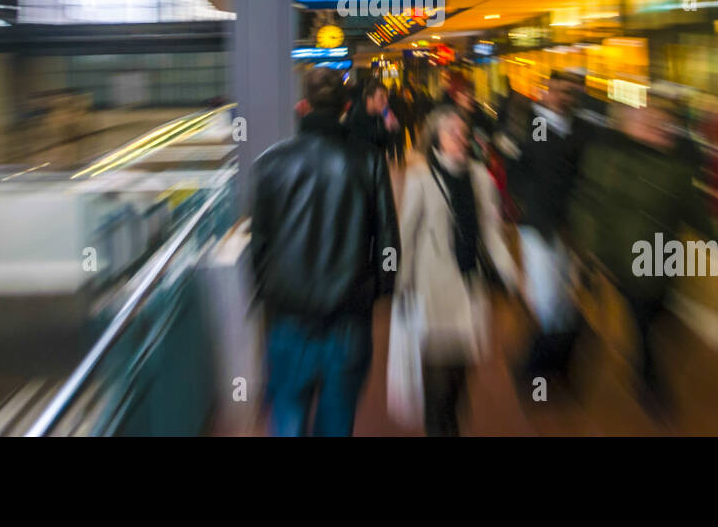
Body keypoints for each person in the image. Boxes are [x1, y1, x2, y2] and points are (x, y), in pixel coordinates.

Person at [250, 68, 400, 436]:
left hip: (288, 317)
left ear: (302, 107)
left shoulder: (270, 163)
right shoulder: (369, 161)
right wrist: (378, 290)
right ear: (346, 107)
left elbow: (259, 244)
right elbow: (388, 242)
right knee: (337, 417)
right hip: (349, 317)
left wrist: (266, 294)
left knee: (287, 412)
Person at [569, 99, 698, 421]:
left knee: (663, 317)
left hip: (663, 257)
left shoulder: (674, 163)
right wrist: (591, 254)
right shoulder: (607, 159)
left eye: (661, 124)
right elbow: (589, 205)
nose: (659, 130)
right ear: (629, 128)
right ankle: (649, 385)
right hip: (627, 259)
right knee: (644, 326)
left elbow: (694, 209)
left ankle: (646, 373)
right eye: (649, 124)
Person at [397, 107, 518, 435]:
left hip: (469, 285)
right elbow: (406, 235)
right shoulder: (421, 177)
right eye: (452, 132)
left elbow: (490, 230)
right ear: (436, 137)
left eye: (463, 133)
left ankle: (448, 423)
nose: (461, 138)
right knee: (438, 380)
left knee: (460, 378)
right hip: (432, 286)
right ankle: (440, 428)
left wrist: (508, 272)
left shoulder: (480, 178)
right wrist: (401, 284)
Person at [504, 70, 591, 382]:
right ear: (547, 92)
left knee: (565, 295)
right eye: (559, 90)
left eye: (569, 92)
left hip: (570, 226)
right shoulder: (536, 125)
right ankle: (542, 364)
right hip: (539, 224)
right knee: (547, 297)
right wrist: (530, 202)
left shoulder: (580, 128)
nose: (563, 97)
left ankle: (552, 363)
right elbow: (518, 169)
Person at [347, 80, 399, 156]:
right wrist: (386, 128)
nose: (386, 101)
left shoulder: (380, 115)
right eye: (381, 97)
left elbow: (385, 144)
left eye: (386, 97)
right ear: (369, 100)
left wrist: (391, 126)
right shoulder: (356, 120)